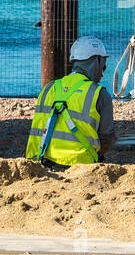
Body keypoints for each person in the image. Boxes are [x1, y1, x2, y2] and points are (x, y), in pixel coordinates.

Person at [26, 36, 116, 169]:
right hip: (81, 164)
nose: (102, 75)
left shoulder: (48, 88)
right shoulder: (100, 94)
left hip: (42, 162)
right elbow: (106, 139)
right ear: (96, 62)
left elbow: (38, 128)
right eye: (103, 68)